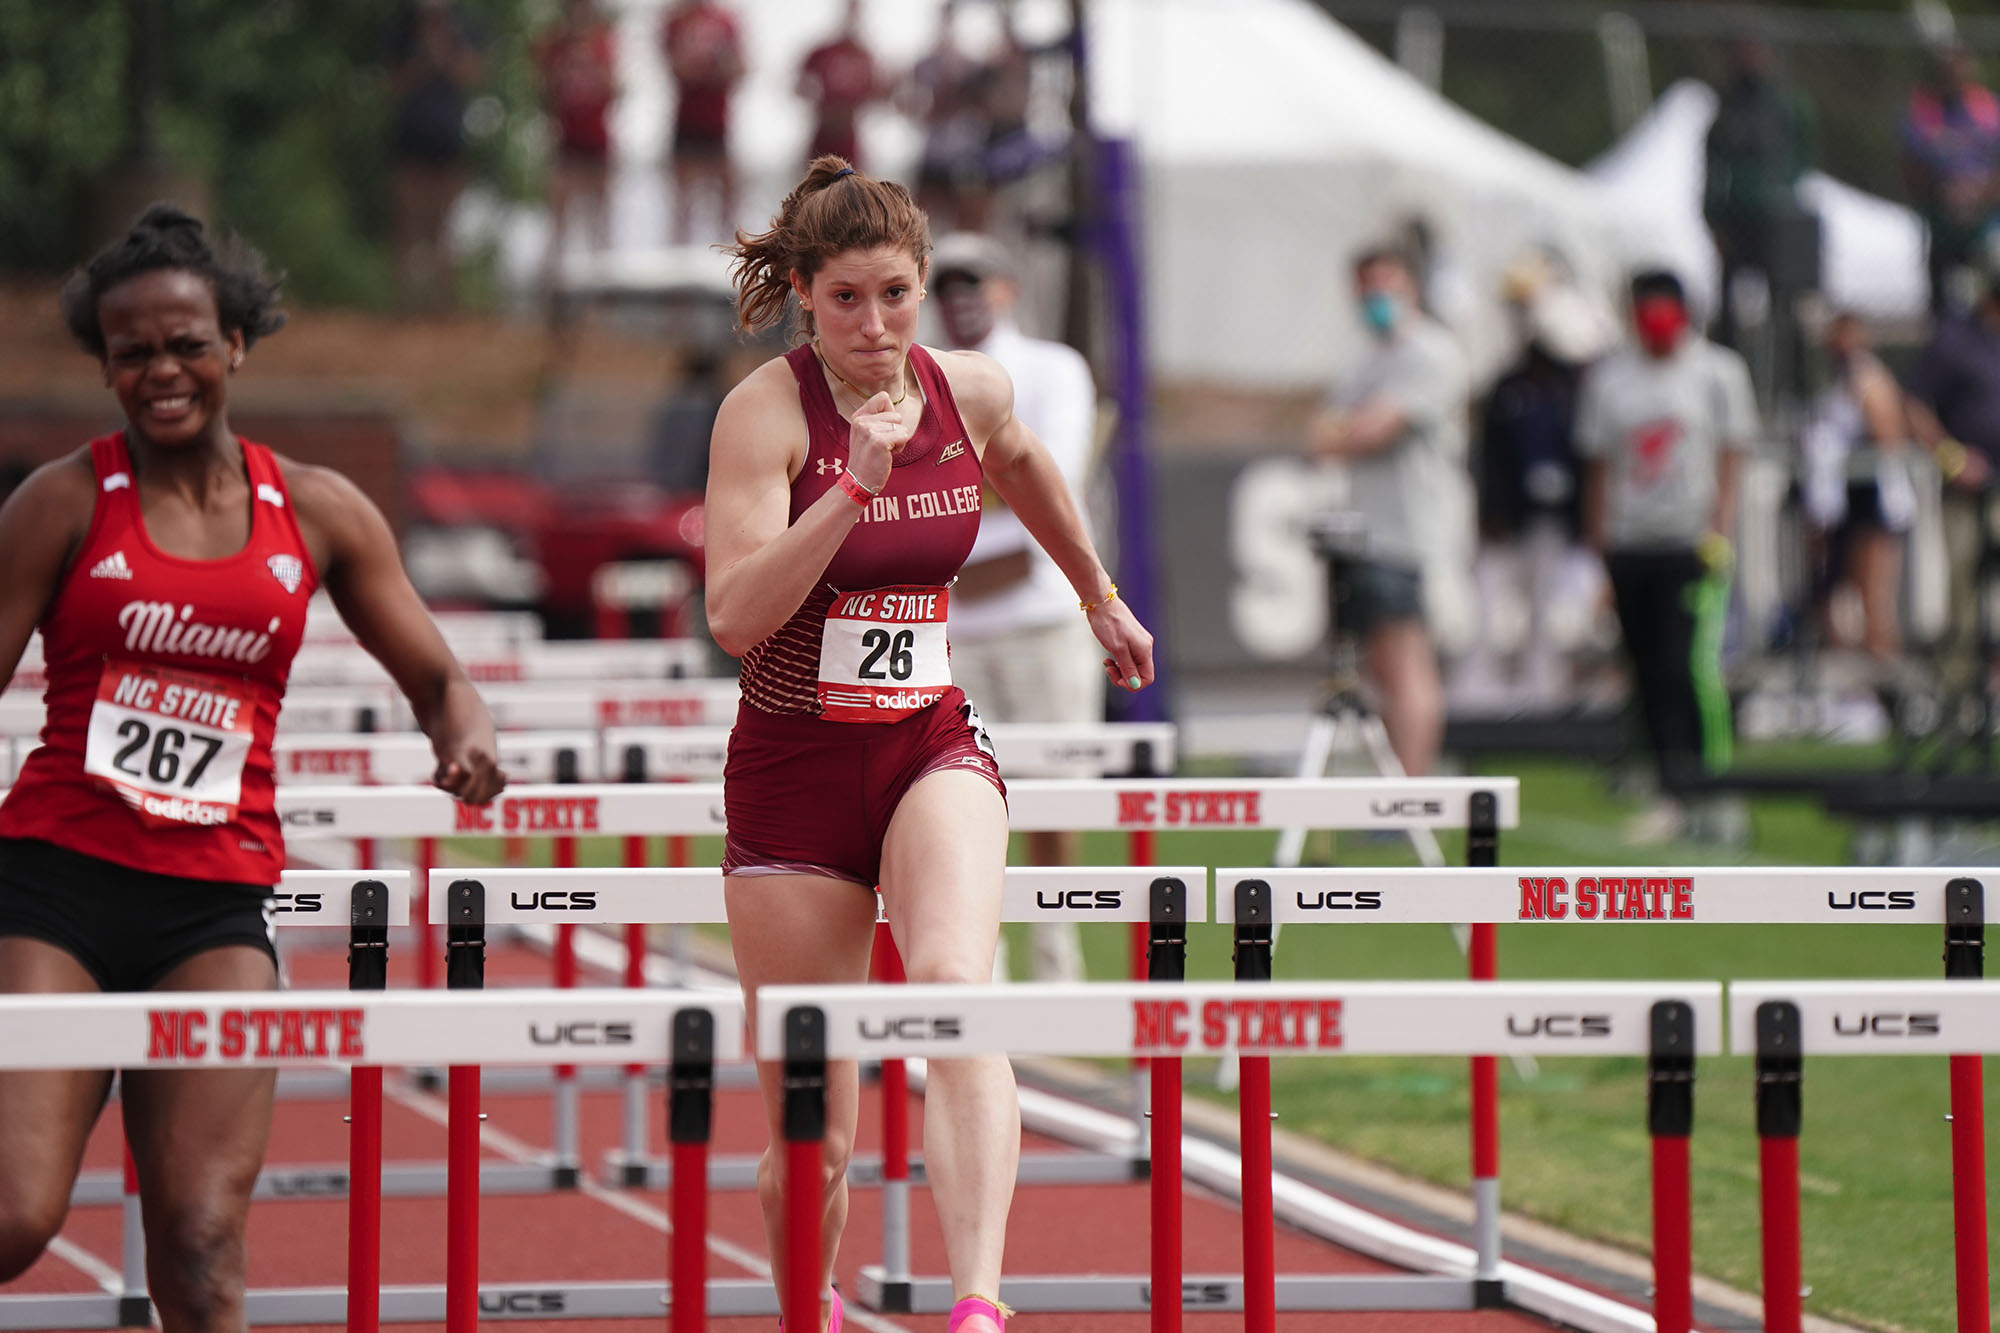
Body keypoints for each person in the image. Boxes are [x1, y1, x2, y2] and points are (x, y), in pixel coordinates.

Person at [0, 205, 506, 1321]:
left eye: (185, 343)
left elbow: (439, 681)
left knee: (200, 1237)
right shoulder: (63, 503)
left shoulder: (317, 511)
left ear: (235, 343)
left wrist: (463, 736)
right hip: (53, 893)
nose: (161, 371)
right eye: (131, 352)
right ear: (104, 368)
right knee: (14, 1216)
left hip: (213, 908)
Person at [708, 157, 1153, 1332]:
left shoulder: (967, 387)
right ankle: (808, 1303)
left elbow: (1020, 461)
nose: (874, 325)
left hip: (924, 747)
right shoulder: (764, 414)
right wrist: (846, 492)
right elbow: (732, 618)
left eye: (895, 295)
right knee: (818, 1125)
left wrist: (1094, 594)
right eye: (846, 298)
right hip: (793, 773)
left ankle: (977, 1304)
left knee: (956, 993)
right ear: (803, 292)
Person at [931, 231, 1100, 984]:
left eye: (975, 281)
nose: (961, 298)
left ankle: (1057, 948)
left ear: (1007, 287)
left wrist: (965, 480)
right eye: (947, 284)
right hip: (956, 614)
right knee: (965, 792)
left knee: (1057, 790)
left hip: (1041, 610)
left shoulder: (1051, 367)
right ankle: (983, 949)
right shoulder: (920, 370)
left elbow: (1050, 468)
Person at [1577, 268, 1757, 843]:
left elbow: (1732, 454)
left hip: (1690, 543)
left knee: (1688, 668)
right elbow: (1599, 468)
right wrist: (1598, 550)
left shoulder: (1717, 371)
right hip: (1631, 543)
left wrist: (1720, 530)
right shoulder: (1610, 379)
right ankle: (1668, 789)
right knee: (1647, 671)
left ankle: (1706, 785)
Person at [1307, 244, 1469, 779]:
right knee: (1381, 664)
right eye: (1366, 285)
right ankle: (1398, 782)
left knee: (1406, 661)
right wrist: (1349, 430)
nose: (1376, 297)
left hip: (1411, 531)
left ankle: (1410, 789)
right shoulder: (1363, 358)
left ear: (1410, 286)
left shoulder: (1431, 352)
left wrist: (1350, 430)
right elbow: (1325, 433)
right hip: (1367, 532)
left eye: (1386, 283)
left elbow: (1372, 431)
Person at [1902, 269, 2000, 700]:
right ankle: (1961, 693)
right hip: (1969, 490)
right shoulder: (1955, 340)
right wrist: (1952, 458)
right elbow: (1915, 406)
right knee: (1966, 587)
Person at [1702, 32, 1816, 392]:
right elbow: (1712, 169)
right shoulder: (1726, 110)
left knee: (1786, 309)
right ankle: (1727, 385)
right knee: (1729, 310)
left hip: (1778, 223)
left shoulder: (1787, 108)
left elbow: (1801, 161)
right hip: (1736, 222)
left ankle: (1793, 390)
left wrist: (1780, 191)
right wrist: (1713, 218)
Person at [1799, 312, 1913, 669]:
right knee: (1830, 592)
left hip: (1872, 496)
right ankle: (1852, 676)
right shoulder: (1835, 381)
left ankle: (1886, 674)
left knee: (1873, 594)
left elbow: (1889, 437)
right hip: (1839, 500)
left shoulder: (1870, 379)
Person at [386, 0, 485, 311]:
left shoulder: (463, 28)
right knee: (408, 224)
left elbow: (474, 73)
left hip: (448, 142)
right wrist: (424, 59)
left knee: (445, 226)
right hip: (411, 140)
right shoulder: (402, 31)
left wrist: (445, 54)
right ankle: (405, 304)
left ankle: (444, 306)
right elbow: (393, 82)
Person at [1900, 41, 2000, 315]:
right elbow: (1912, 163)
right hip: (1942, 222)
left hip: (1983, 222)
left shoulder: (1987, 108)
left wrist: (1981, 194)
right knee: (1944, 302)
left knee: (1988, 290)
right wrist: (1944, 192)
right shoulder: (1924, 109)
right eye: (1948, 71)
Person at [534, 0, 619, 295]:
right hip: (566, 143)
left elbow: (615, 91)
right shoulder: (553, 45)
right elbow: (544, 96)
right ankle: (551, 296)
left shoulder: (604, 44)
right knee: (558, 222)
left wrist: (591, 60)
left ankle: (601, 294)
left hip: (597, 143)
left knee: (598, 224)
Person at [660, 0, 744, 246]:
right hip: (686, 119)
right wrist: (706, 68)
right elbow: (675, 67)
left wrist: (711, 68)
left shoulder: (725, 20)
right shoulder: (675, 20)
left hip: (716, 121)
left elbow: (739, 67)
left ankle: (728, 253)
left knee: (727, 195)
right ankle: (679, 254)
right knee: (681, 201)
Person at [899, 0, 986, 233]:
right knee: (916, 219)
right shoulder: (924, 65)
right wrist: (929, 110)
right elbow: (905, 102)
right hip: (934, 152)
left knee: (966, 219)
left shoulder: (970, 65)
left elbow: (983, 106)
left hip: (962, 153)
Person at [796, 0, 881, 171]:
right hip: (823, 132)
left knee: (851, 189)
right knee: (813, 187)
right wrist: (819, 103)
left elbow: (876, 94)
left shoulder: (863, 57)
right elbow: (799, 84)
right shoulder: (823, 52)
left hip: (847, 135)